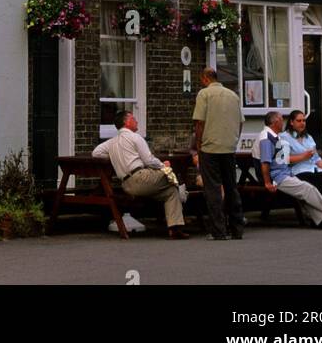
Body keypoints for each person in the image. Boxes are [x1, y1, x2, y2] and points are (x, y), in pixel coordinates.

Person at [92, 109, 190, 238]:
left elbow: (96, 153)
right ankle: (183, 193)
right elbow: (149, 160)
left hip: (127, 185)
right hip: (141, 178)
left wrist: (114, 156)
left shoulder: (112, 142)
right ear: (126, 122)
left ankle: (174, 228)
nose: (136, 121)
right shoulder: (135, 137)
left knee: (171, 192)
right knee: (171, 172)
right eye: (133, 119)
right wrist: (163, 165)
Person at [259, 111, 322, 229]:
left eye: (304, 120)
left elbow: (281, 160)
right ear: (276, 122)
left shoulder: (274, 136)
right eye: (299, 120)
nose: (283, 122)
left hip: (286, 173)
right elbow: (266, 162)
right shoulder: (269, 138)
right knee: (309, 189)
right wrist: (267, 182)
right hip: (281, 176)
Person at [192, 67, 246, 240]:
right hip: (229, 146)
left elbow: (200, 122)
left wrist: (199, 144)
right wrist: (234, 140)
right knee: (231, 187)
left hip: (210, 147)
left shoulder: (204, 94)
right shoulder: (233, 95)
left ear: (205, 78)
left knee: (213, 188)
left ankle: (219, 230)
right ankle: (237, 228)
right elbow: (240, 122)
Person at [280, 110, 322, 219]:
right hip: (299, 171)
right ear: (291, 122)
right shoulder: (284, 137)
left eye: (304, 120)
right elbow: (283, 159)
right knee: (318, 184)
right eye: (299, 121)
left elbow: (316, 157)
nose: (302, 123)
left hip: (314, 169)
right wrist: (302, 157)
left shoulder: (308, 137)